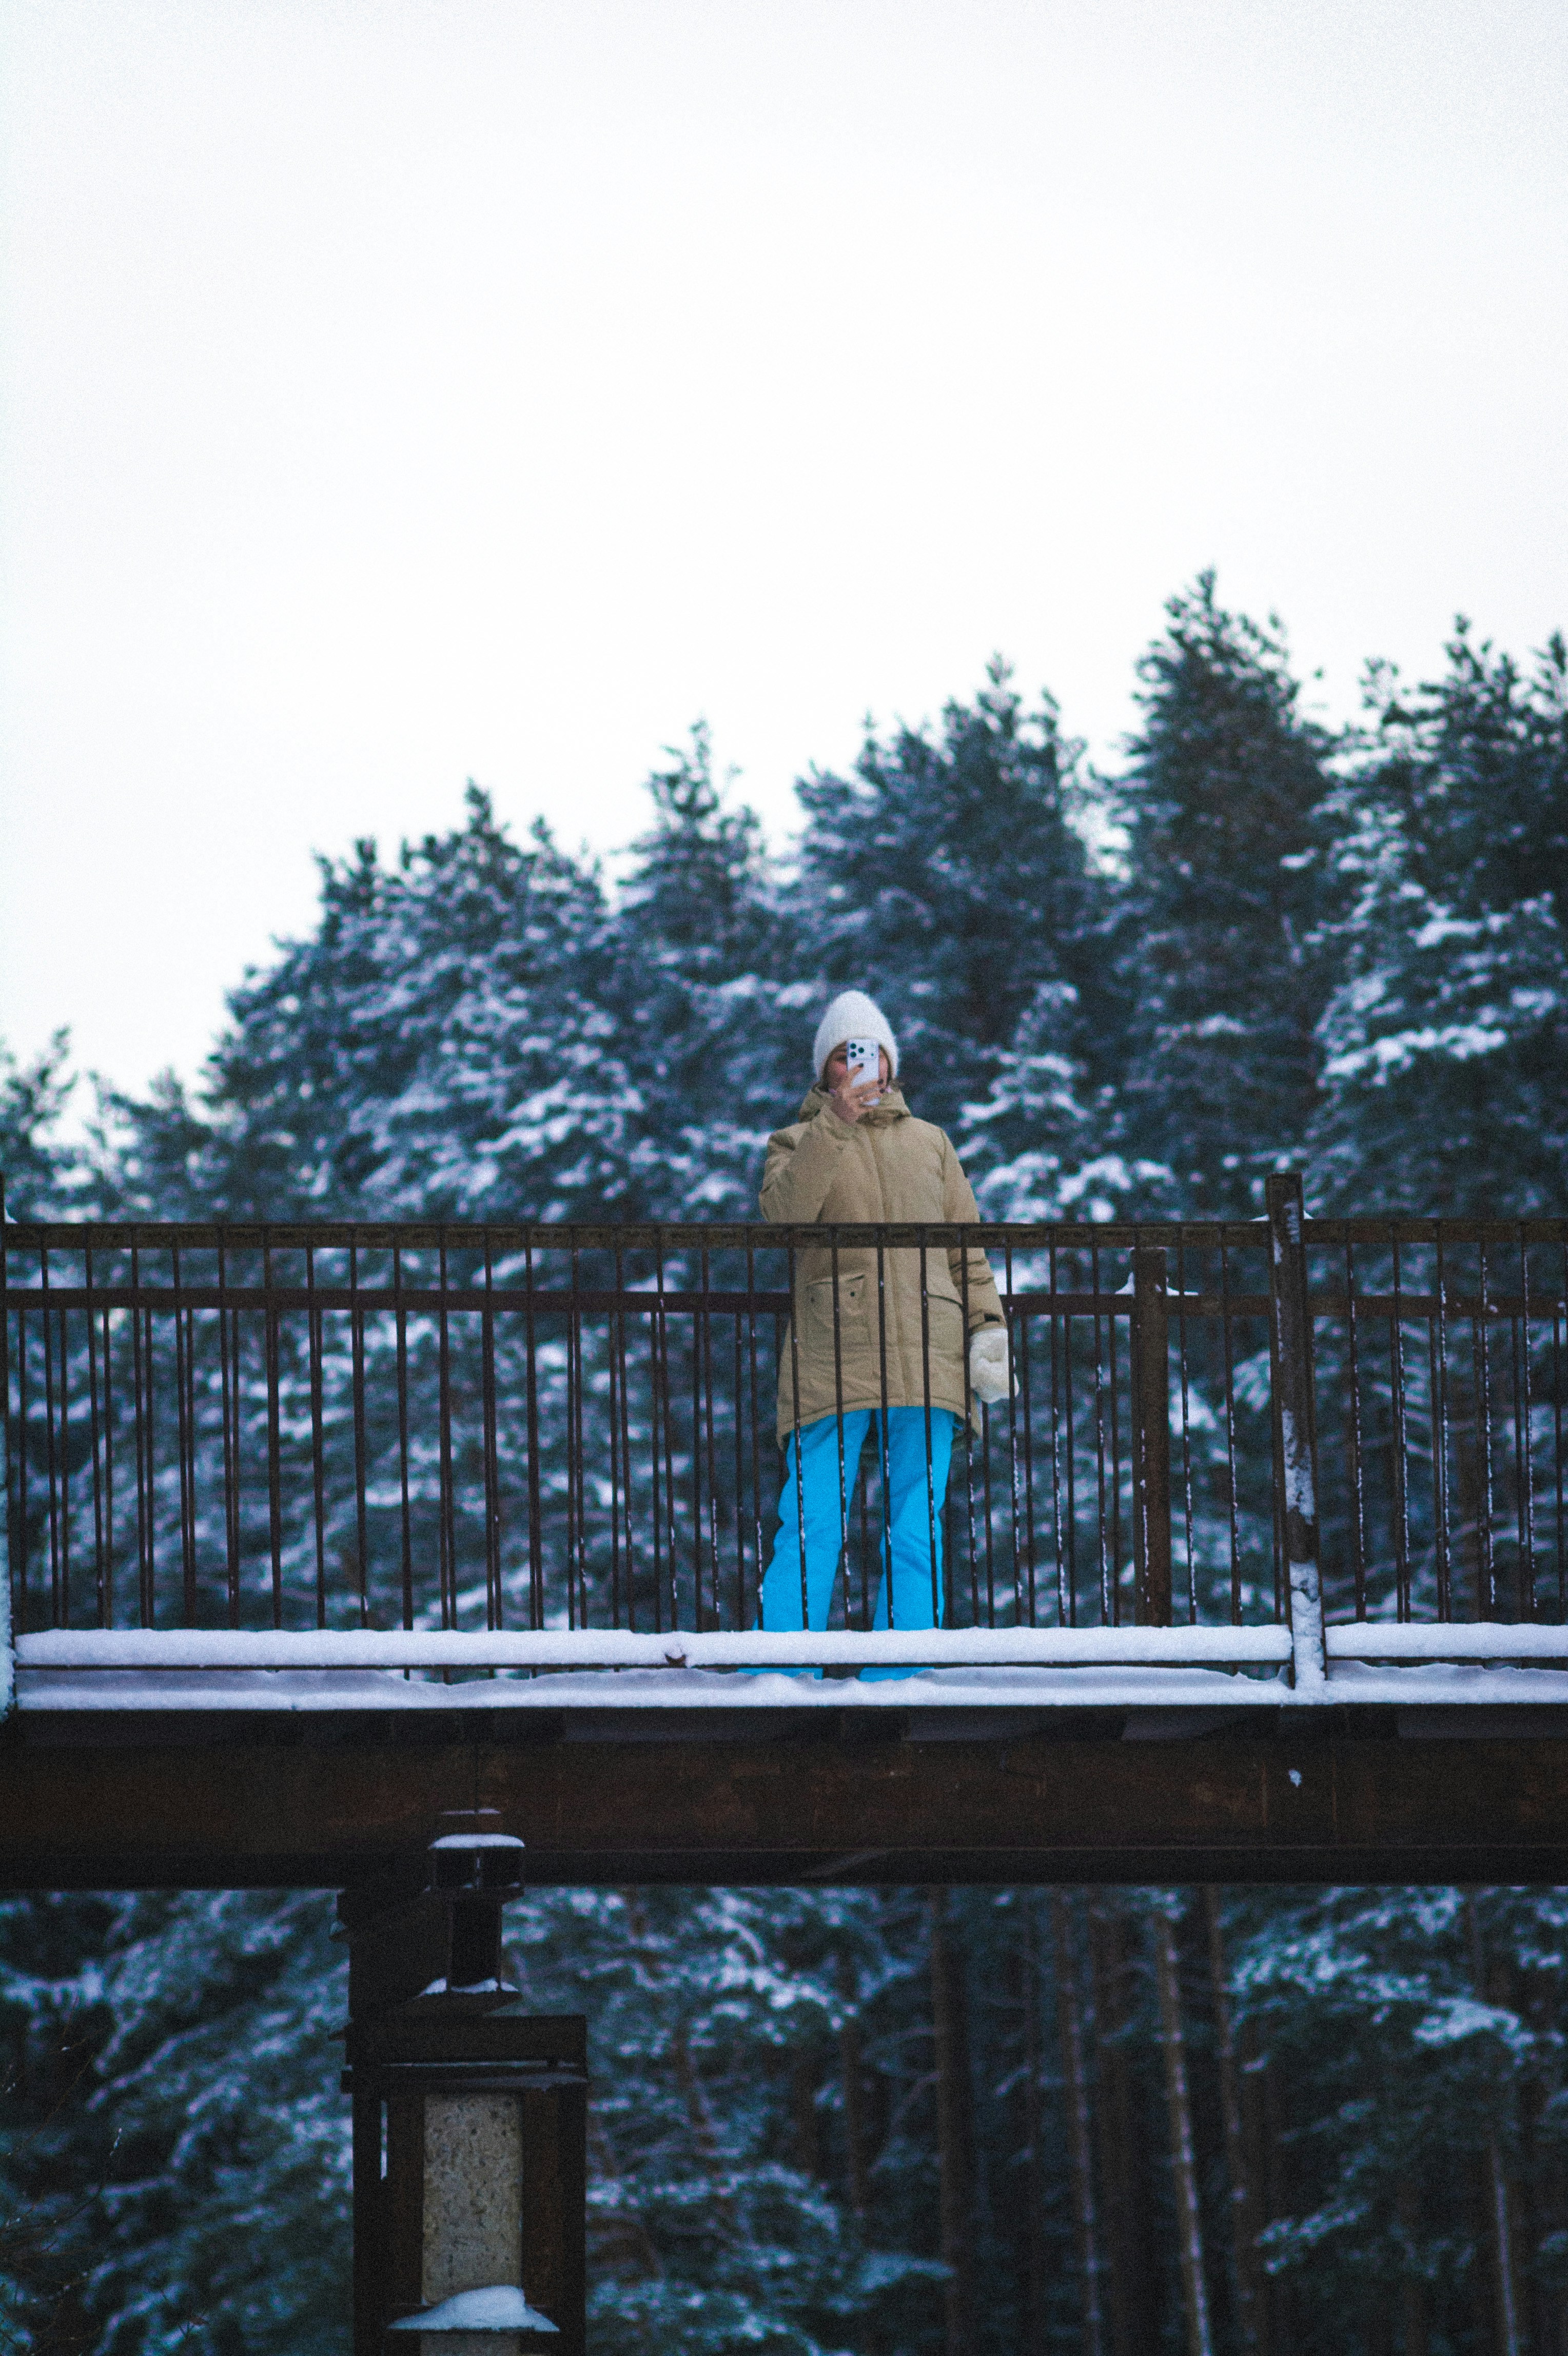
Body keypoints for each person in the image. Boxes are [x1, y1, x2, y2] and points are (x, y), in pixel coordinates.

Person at [758, 989, 1009, 1668]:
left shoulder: (931, 1144)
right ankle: (782, 1665)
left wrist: (988, 1326)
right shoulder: (795, 1141)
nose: (856, 1066)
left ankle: (903, 1663)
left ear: (891, 1064)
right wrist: (834, 1127)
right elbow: (787, 1216)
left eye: (867, 1054)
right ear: (825, 1070)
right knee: (811, 1520)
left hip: (931, 1352)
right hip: (832, 1352)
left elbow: (967, 1247)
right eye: (844, 1056)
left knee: (916, 1527)